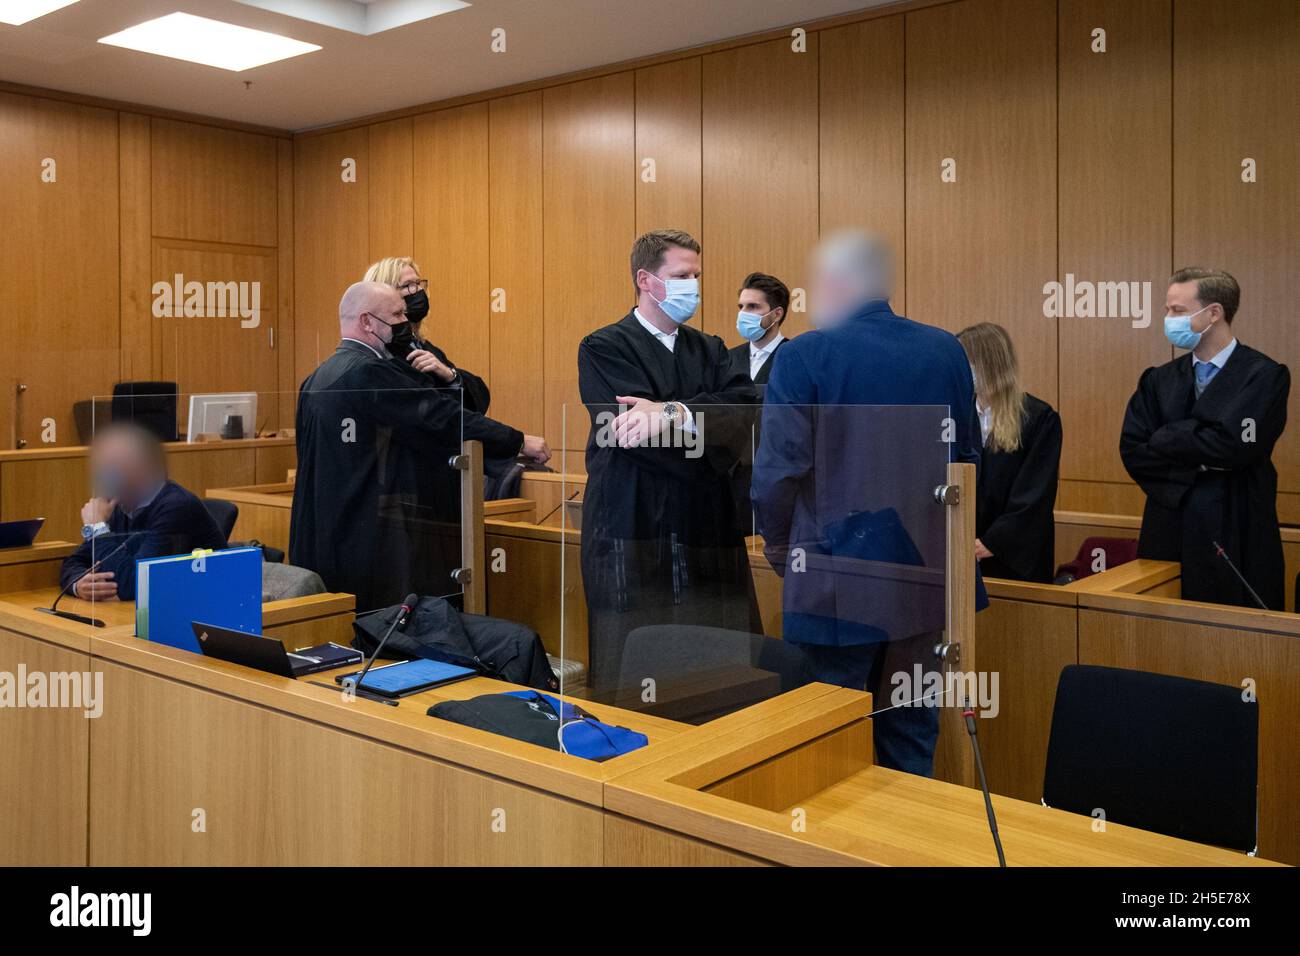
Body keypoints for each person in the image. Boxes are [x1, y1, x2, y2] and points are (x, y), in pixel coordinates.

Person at [752, 230, 984, 777]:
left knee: (828, 744)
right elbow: (968, 458)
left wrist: (780, 547)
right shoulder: (945, 349)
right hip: (924, 576)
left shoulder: (805, 354)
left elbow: (778, 471)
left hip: (834, 579)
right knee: (911, 733)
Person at [290, 281, 549, 612]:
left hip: (329, 532)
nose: (405, 322)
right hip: (369, 534)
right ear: (367, 322)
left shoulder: (316, 377)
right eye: (397, 314)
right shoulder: (369, 372)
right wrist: (517, 440)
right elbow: (440, 417)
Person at [577, 229, 760, 697]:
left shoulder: (710, 349)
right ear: (646, 280)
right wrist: (706, 434)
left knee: (715, 656)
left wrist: (671, 413)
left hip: (705, 523)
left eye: (697, 275)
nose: (693, 285)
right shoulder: (603, 347)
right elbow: (627, 434)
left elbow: (744, 411)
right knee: (637, 656)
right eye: (682, 275)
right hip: (633, 520)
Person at [1121, 267, 1289, 610]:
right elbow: (1135, 449)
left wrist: (1168, 435)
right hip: (1170, 525)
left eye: (1178, 310)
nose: (1169, 319)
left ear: (1214, 313)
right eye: (1167, 309)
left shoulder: (1264, 376)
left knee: (1236, 628)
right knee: (1162, 627)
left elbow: (1239, 446)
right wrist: (1204, 449)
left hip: (1238, 526)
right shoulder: (1159, 380)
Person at [60, 422, 226, 602]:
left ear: (146, 467)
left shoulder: (176, 507)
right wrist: (79, 584)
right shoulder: (117, 503)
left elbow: (135, 584)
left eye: (115, 465)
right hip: (149, 608)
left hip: (205, 607)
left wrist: (97, 529)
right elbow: (74, 562)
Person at [958, 322, 1062, 583]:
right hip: (964, 551)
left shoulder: (1038, 418)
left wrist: (993, 542)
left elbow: (1035, 493)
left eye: (966, 362)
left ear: (990, 364)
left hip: (1014, 557)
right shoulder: (958, 415)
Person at [362, 256, 492, 413]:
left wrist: (450, 375)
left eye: (418, 283)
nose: (418, 291)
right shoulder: (378, 354)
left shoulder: (422, 345)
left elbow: (477, 397)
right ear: (383, 294)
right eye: (408, 285)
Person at [728, 272, 790, 386]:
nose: (742, 313)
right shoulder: (728, 358)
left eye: (752, 306)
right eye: (741, 307)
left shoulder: (795, 357)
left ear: (777, 314)